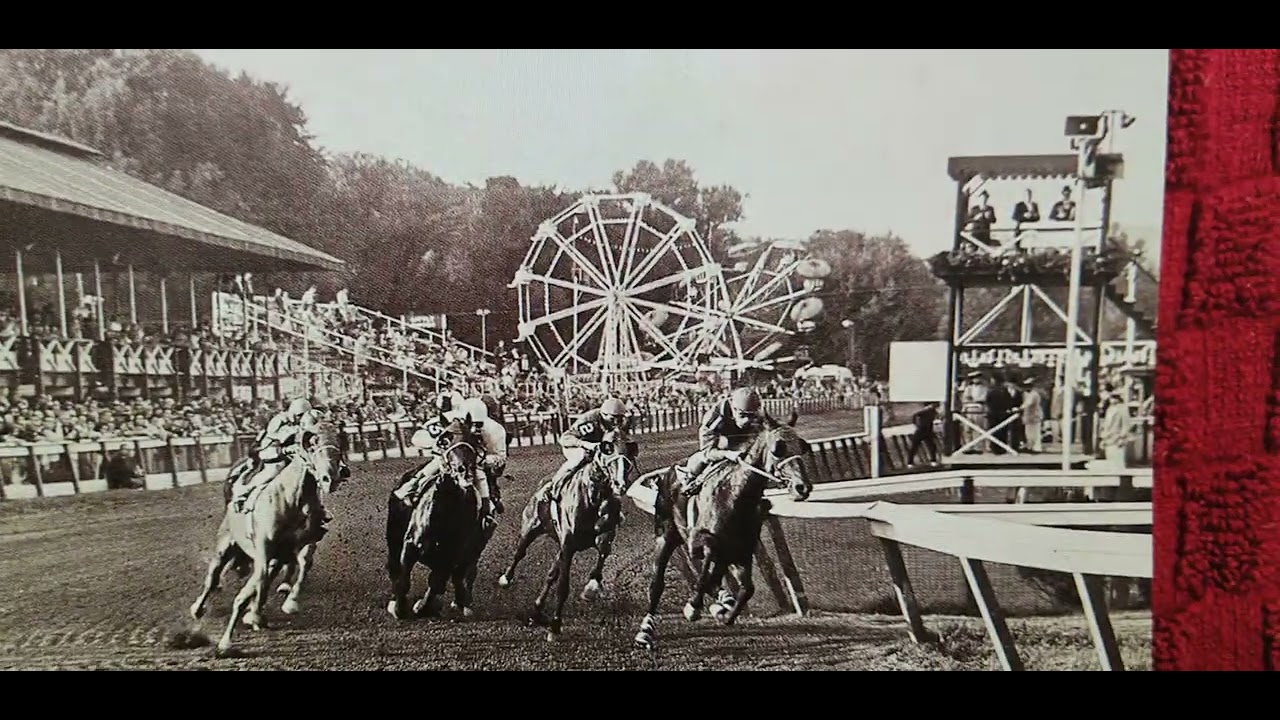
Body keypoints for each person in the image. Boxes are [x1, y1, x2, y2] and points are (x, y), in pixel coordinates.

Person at [394, 394, 496, 521]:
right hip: (456, 461)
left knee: (430, 470)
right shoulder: (460, 423)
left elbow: (417, 439)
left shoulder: (440, 421)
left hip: (458, 460)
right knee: (479, 478)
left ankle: (410, 489)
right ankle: (487, 509)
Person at [547, 397, 630, 530]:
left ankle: (613, 506)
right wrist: (585, 444)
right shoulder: (590, 421)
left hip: (600, 450)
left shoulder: (622, 422)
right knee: (581, 458)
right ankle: (554, 486)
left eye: (619, 418)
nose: (616, 422)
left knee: (613, 468)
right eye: (613, 418)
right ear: (603, 415)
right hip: (579, 447)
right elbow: (565, 438)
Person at [229, 397, 318, 513]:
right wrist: (289, 447)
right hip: (270, 451)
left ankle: (316, 507)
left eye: (304, 416)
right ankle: (242, 494)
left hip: (290, 453)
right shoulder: (278, 421)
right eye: (299, 415)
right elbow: (278, 440)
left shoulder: (300, 422)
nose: (301, 418)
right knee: (273, 472)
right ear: (293, 413)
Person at [676, 387, 766, 497]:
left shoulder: (758, 414)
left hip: (741, 438)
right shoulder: (714, 417)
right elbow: (707, 451)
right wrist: (727, 454)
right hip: (720, 439)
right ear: (733, 408)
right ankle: (689, 478)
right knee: (701, 459)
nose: (746, 420)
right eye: (742, 415)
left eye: (751, 415)